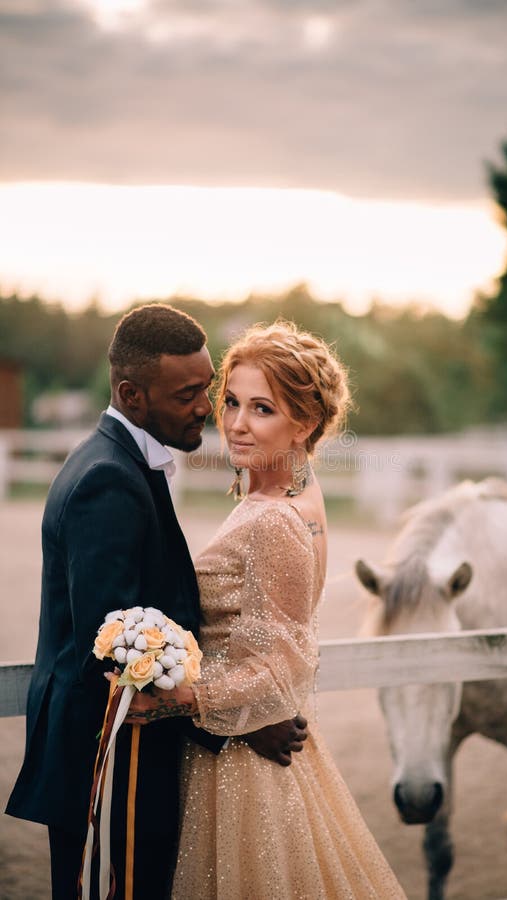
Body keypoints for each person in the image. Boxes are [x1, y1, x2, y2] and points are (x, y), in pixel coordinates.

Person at [5, 305, 308, 900]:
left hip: (128, 750)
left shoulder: (126, 463)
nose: (206, 408)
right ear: (131, 394)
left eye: (208, 389)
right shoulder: (108, 480)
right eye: (189, 393)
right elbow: (116, 647)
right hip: (113, 756)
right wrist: (238, 726)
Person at [127, 321, 406, 898]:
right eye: (230, 402)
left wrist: (184, 699)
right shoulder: (291, 492)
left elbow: (287, 662)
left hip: (240, 766)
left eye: (261, 409)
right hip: (245, 742)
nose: (234, 423)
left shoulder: (275, 518)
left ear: (303, 424)